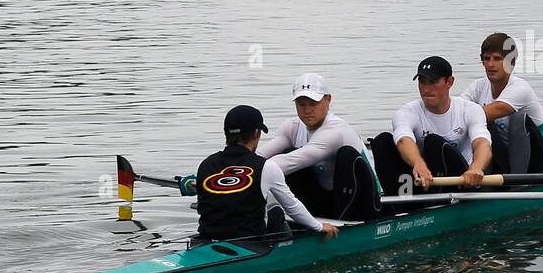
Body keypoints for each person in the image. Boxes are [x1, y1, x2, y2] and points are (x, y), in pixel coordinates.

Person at [195, 104, 339, 243]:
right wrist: (319, 226)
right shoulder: (266, 167)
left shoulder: (205, 165)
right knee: (275, 211)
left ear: (226, 133)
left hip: (204, 240)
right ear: (257, 133)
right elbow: (293, 207)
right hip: (250, 245)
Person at [258, 73, 381, 220]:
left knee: (346, 154)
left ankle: (343, 229)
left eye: (313, 103)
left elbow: (287, 162)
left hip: (365, 205)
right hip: (327, 200)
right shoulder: (292, 127)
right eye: (302, 104)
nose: (307, 110)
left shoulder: (336, 131)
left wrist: (246, 173)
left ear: (328, 100)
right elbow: (259, 156)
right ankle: (309, 224)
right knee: (288, 151)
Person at [371, 56, 492, 191]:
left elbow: (482, 143)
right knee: (382, 141)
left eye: (433, 82)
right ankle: (399, 203)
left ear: (450, 82)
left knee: (433, 142)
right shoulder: (408, 112)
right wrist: (418, 163)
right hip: (423, 178)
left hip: (463, 179)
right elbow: (403, 140)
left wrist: (476, 168)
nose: (426, 89)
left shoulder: (470, 109)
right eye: (422, 82)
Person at [461, 32, 543, 173]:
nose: (490, 64)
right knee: (477, 121)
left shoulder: (520, 88)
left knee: (507, 118)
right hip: (506, 159)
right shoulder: (478, 87)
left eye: (497, 59)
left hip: (542, 164)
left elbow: (483, 113)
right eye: (487, 59)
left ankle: (516, 184)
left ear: (511, 62)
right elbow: (458, 111)